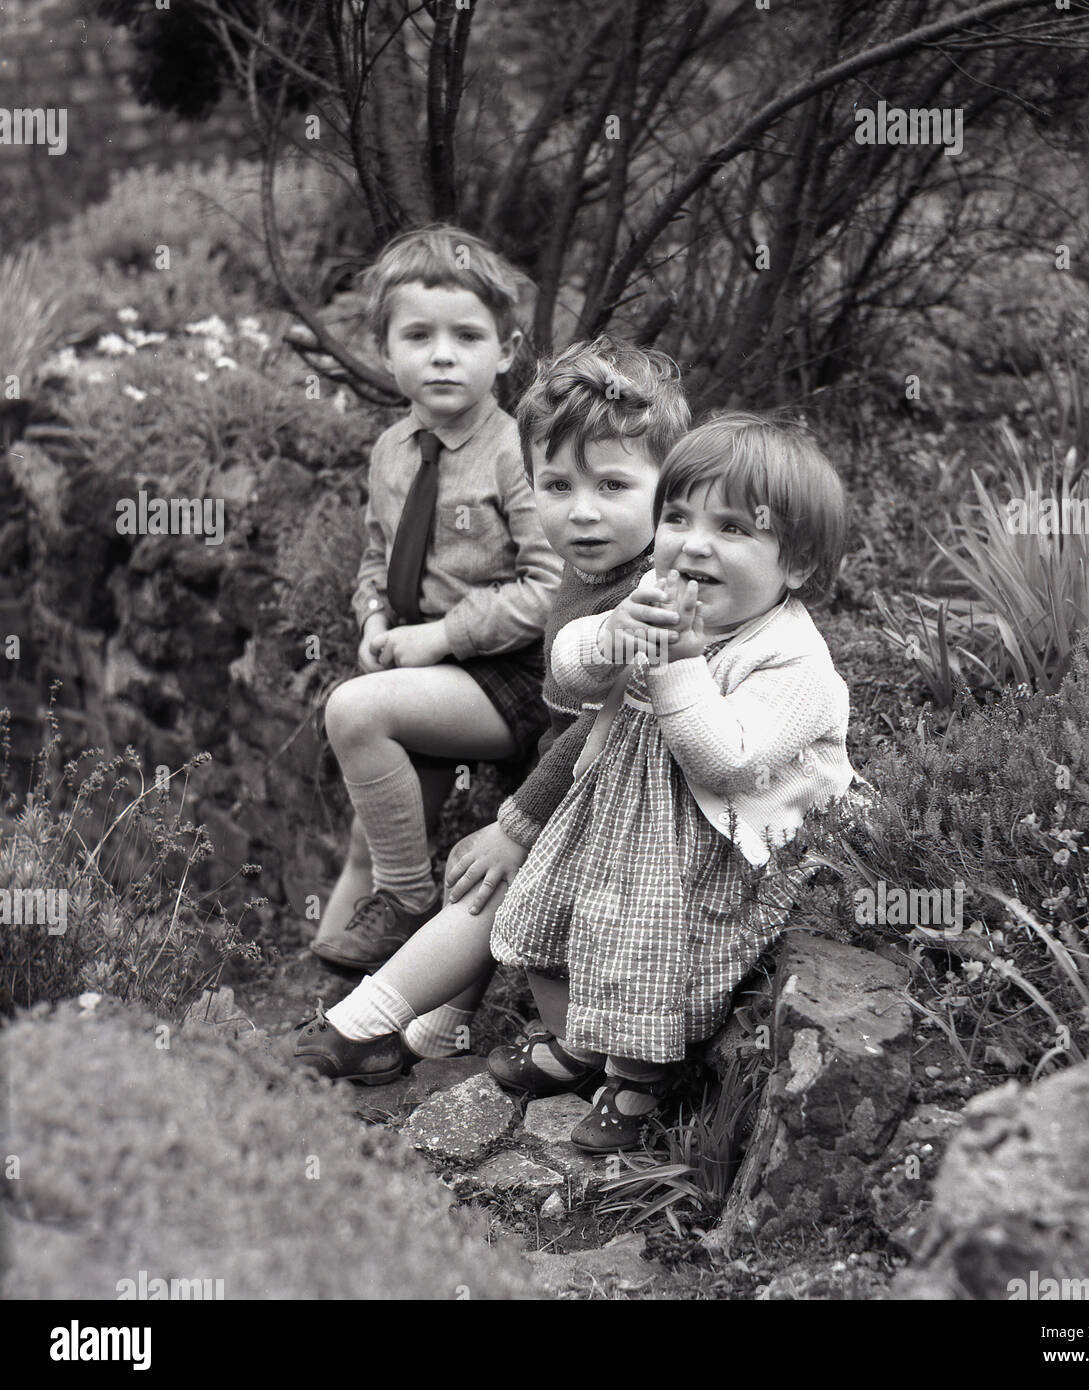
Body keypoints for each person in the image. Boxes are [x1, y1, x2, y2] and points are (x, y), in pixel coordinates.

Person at [295, 337, 690, 1078]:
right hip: (577, 775)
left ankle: (362, 1027)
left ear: (668, 489)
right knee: (478, 866)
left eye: (612, 487)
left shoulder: (647, 598)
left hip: (636, 808)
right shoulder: (587, 570)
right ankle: (437, 1031)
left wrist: (519, 823)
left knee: (497, 870)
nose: (582, 513)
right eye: (557, 485)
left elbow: (603, 735)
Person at [486, 412, 862, 1153]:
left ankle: (638, 1078)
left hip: (720, 845)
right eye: (678, 517)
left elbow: (728, 762)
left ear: (798, 565)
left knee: (645, 943)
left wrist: (681, 662)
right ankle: (576, 1041)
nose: (693, 544)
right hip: (623, 811)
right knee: (545, 912)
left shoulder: (795, 663)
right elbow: (564, 677)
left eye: (731, 529)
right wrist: (608, 634)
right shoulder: (654, 600)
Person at [310, 225, 563, 975]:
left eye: (467, 335)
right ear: (386, 352)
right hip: (426, 670)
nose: (443, 353)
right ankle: (325, 1025)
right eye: (418, 335)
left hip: (511, 678)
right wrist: (376, 618)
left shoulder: (518, 450)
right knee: (371, 843)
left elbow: (549, 588)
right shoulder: (391, 450)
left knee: (354, 711)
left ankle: (413, 911)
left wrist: (440, 636)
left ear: (507, 352)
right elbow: (375, 555)